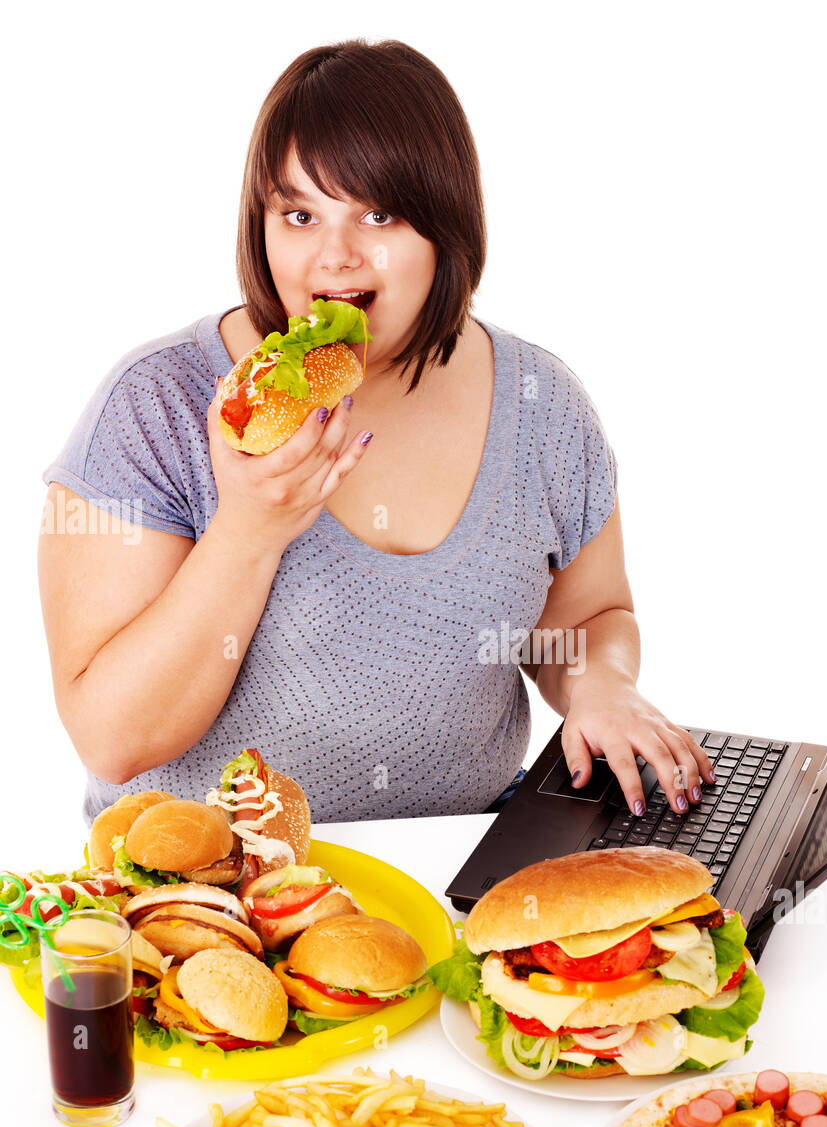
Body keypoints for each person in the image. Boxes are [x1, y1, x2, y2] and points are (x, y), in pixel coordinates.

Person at [39, 38, 715, 829]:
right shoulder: (159, 404)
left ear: (444, 226)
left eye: (379, 213)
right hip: (209, 904)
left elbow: (589, 619)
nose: (333, 255)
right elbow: (114, 741)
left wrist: (601, 681)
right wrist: (250, 531)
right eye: (297, 214)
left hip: (462, 888)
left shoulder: (542, 401)